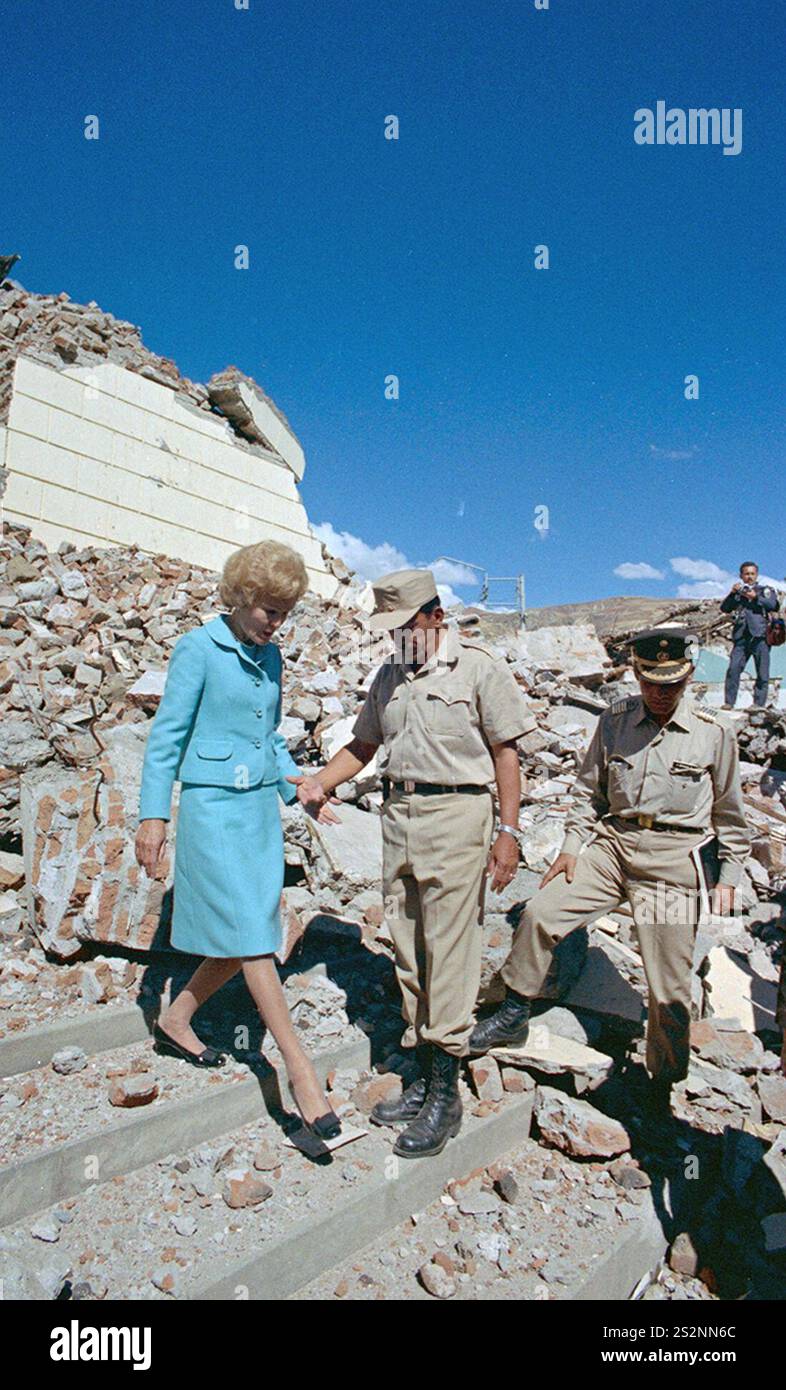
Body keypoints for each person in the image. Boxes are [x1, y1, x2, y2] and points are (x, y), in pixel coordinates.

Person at [290, 569, 536, 1158]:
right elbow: (364, 747)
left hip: (459, 815)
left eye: (404, 628)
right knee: (408, 947)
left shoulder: (478, 668)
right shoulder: (388, 677)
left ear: (434, 615)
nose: (396, 640)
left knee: (450, 952)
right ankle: (425, 1077)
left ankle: (446, 1096)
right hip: (399, 816)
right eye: (389, 632)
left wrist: (508, 832)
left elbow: (507, 753)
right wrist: (320, 781)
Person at [468, 627, 751, 1117]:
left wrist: (727, 877)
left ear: (687, 679)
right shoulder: (615, 719)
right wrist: (572, 847)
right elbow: (586, 792)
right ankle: (514, 1011)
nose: (662, 694)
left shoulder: (714, 731)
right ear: (636, 676)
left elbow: (730, 815)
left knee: (668, 987)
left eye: (673, 684)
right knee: (541, 912)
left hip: (673, 858)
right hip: (612, 845)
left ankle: (660, 1084)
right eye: (651, 683)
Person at [134, 539, 340, 1141]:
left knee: (246, 926)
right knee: (253, 937)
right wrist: (153, 817)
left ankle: (177, 1018)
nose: (276, 623)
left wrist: (296, 786)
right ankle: (297, 1071)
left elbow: (270, 738)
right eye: (268, 610)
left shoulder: (272, 658)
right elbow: (165, 738)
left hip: (255, 810)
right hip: (212, 809)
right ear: (242, 596)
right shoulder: (197, 649)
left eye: (285, 612)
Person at [720, 562, 779, 709]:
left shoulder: (765, 590)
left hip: (760, 636)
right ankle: (729, 702)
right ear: (741, 576)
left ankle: (758, 704)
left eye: (752, 574)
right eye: (746, 574)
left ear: (757, 575)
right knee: (733, 669)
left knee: (762, 672)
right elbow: (725, 608)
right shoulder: (739, 593)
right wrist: (733, 593)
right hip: (741, 637)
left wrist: (755, 598)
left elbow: (773, 605)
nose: (750, 577)